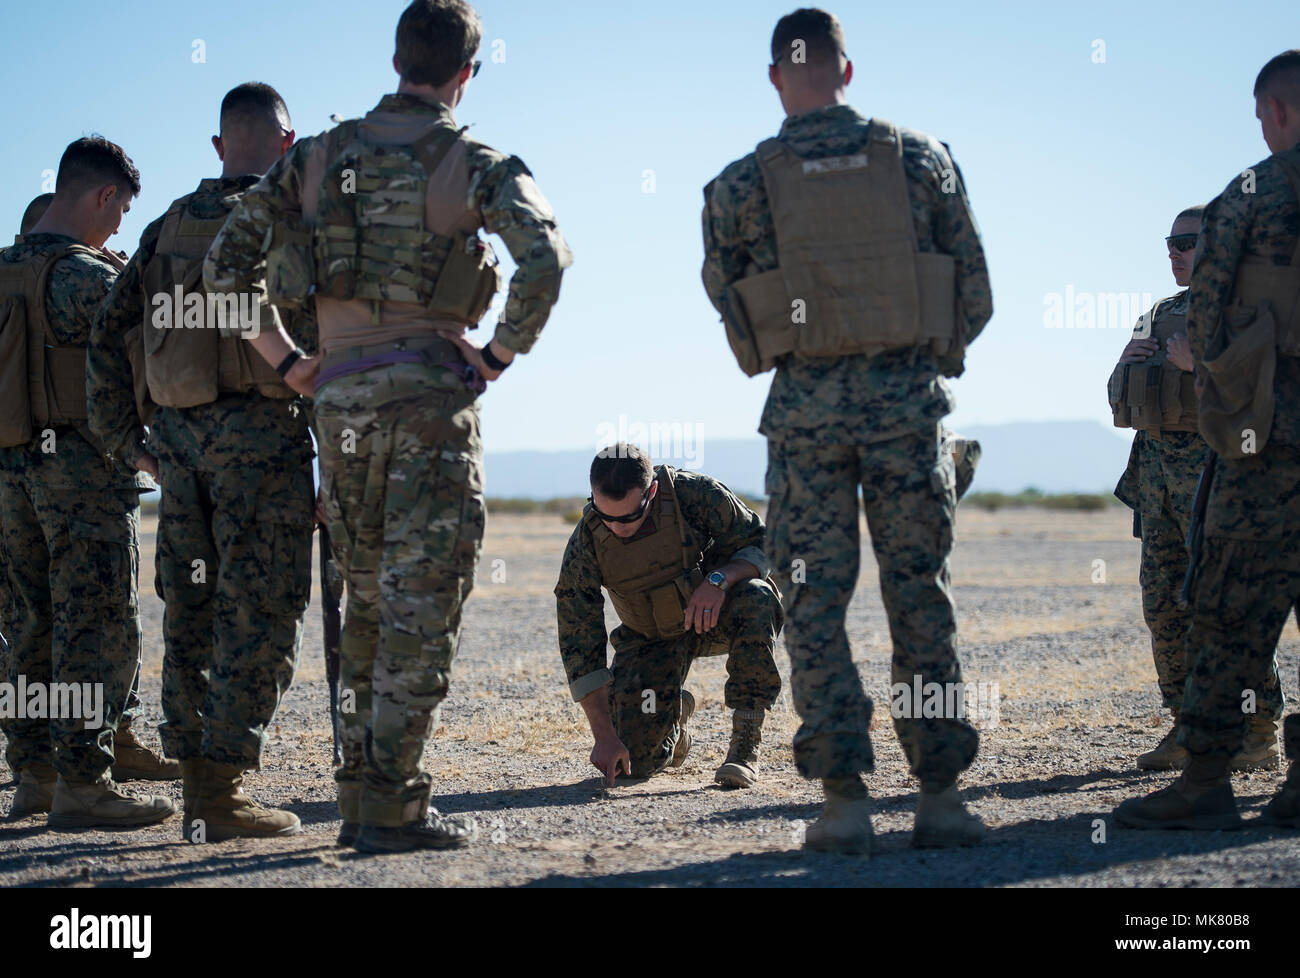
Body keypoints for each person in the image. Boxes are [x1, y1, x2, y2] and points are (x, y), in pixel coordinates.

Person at [204, 0, 572, 852]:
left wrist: (289, 361)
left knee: (361, 594)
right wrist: (499, 355)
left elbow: (226, 263)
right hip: (429, 402)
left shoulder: (314, 158)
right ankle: (391, 803)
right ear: (465, 73)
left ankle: (361, 795)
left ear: (397, 57)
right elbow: (548, 257)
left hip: (337, 400)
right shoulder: (471, 159)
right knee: (422, 599)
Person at [700, 8, 993, 854]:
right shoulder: (922, 161)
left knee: (814, 605)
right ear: (847, 71)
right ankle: (939, 798)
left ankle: (843, 802)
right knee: (920, 598)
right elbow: (973, 294)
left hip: (806, 423)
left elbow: (733, 301)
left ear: (775, 77)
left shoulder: (740, 185)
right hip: (908, 414)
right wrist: (916, 359)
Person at [89, 83, 315, 841]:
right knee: (262, 612)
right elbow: (331, 349)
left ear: (219, 147)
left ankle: (197, 778)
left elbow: (107, 331)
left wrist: (128, 442)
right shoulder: (292, 223)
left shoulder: (165, 228)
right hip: (265, 447)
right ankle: (218, 795)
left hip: (179, 450)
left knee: (191, 613)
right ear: (288, 144)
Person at [1115, 49, 1300, 831]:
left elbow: (1214, 329)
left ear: (1276, 113)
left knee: (1225, 611)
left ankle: (1207, 779)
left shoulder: (1253, 202)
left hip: (1268, 449)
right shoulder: (1156, 308)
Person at [0, 137, 174, 828]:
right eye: (122, 210)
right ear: (103, 196)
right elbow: (152, 361)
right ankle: (84, 783)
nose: (120, 226)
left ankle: (33, 775)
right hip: (83, 475)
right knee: (93, 626)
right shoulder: (89, 278)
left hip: (8, 477)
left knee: (25, 625)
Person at [1110, 208, 1284, 772]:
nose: (1174, 252)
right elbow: (1120, 399)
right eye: (1170, 242)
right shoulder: (1160, 314)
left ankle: (1258, 733)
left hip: (1219, 483)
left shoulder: (1247, 309)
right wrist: (1126, 364)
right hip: (1158, 485)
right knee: (1165, 611)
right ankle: (1186, 728)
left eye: (1187, 242)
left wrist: (1197, 366)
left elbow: (1269, 396)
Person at [555, 444, 783, 788]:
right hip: (651, 637)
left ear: (653, 491)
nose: (618, 528)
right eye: (607, 517)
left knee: (757, 596)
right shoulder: (587, 542)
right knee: (636, 761)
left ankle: (744, 747)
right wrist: (603, 736)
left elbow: (762, 543)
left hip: (712, 617)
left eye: (630, 517)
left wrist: (719, 580)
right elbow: (579, 640)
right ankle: (673, 720)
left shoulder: (693, 495)